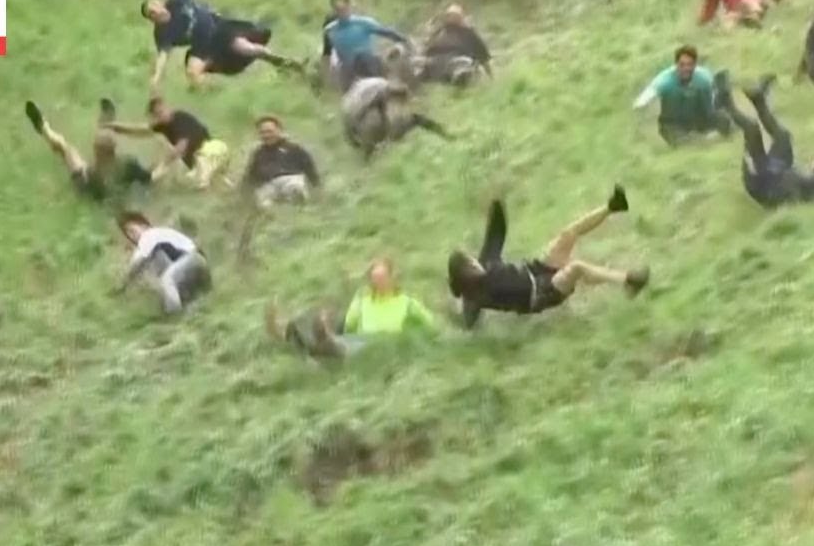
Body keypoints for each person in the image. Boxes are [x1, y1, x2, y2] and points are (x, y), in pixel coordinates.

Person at [447, 187, 650, 328]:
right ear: (468, 273)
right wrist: (458, 318)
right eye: (470, 262)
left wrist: (496, 204)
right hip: (542, 294)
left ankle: (613, 206)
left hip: (536, 270)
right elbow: (468, 319)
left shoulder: (487, 263)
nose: (475, 261)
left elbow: (495, 235)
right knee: (577, 268)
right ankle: (628, 281)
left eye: (471, 259)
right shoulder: (478, 296)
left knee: (568, 234)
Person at [142, 0, 299, 90]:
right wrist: (156, 77)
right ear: (151, 19)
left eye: (154, 7)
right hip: (202, 46)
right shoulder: (162, 33)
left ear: (159, 3)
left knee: (249, 49)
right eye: (151, 13)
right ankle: (211, 95)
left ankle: (286, 63)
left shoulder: (177, 0)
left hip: (220, 30)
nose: (156, 12)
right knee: (192, 72)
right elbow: (163, 56)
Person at [713, 71, 814, 208]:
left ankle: (725, 103)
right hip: (776, 173)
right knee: (783, 137)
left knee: (752, 129)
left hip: (762, 185)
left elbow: (806, 194)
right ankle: (759, 101)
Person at [265, 258, 439, 359]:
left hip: (382, 342)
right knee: (325, 322)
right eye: (374, 279)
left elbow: (431, 325)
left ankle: (321, 342)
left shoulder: (407, 302)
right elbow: (348, 324)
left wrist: (410, 337)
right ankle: (293, 332)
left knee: (342, 342)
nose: (378, 283)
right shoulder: (364, 299)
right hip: (358, 339)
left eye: (382, 278)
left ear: (393, 278)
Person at [23, 99, 153, 203]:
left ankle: (44, 128)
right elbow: (149, 179)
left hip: (87, 185)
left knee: (66, 148)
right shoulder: (127, 164)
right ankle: (44, 128)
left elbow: (148, 179)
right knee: (65, 149)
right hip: (90, 186)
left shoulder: (125, 165)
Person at [102, 96, 231, 189]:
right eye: (157, 115)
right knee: (213, 185)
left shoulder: (179, 118)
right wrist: (114, 126)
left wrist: (160, 169)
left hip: (212, 150)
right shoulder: (162, 126)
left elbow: (181, 147)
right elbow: (139, 130)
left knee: (199, 181)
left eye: (162, 111)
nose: (161, 116)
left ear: (166, 107)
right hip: (204, 160)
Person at [113, 211, 210, 316]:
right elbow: (138, 266)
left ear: (143, 225)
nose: (132, 235)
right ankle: (190, 311)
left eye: (132, 230)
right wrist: (125, 286)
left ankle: (175, 318)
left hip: (192, 259)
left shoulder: (150, 234)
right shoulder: (153, 242)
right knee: (167, 282)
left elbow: (136, 264)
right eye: (128, 234)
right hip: (194, 266)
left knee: (167, 279)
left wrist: (122, 286)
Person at [632, 45, 730, 145]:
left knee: (725, 120)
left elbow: (715, 94)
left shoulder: (703, 78)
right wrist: (641, 103)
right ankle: (701, 140)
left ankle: (709, 137)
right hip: (673, 124)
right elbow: (651, 91)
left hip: (699, 118)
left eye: (689, 64)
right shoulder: (666, 79)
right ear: (676, 64)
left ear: (695, 65)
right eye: (682, 65)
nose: (686, 69)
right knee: (684, 143)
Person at [342, 77, 452, 160]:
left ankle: (380, 145)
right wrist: (355, 142)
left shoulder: (396, 105)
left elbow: (419, 119)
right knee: (374, 123)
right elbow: (349, 120)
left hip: (376, 100)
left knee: (403, 120)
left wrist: (445, 134)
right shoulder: (368, 108)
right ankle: (370, 153)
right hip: (358, 109)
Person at [321, 0, 411, 91]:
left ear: (349, 7)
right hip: (348, 69)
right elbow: (327, 56)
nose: (342, 12)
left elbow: (387, 32)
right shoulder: (330, 31)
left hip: (370, 63)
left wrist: (404, 40)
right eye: (338, 10)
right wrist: (327, 81)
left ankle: (387, 86)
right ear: (334, 10)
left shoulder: (363, 23)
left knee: (364, 57)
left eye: (344, 9)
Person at [236, 115, 322, 210]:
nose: (267, 135)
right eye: (263, 133)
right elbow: (250, 177)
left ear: (279, 130)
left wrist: (316, 186)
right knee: (263, 202)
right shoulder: (258, 153)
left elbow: (309, 168)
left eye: (270, 131)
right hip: (269, 185)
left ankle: (298, 207)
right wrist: (242, 195)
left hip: (290, 179)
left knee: (295, 188)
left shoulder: (293, 148)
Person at [414, 3, 493, 86]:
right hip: (436, 61)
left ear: (460, 17)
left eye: (455, 16)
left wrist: (490, 76)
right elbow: (428, 48)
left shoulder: (468, 33)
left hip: (458, 59)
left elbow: (483, 55)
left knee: (461, 67)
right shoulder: (440, 31)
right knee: (419, 66)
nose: (451, 18)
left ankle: (461, 78)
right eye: (449, 16)